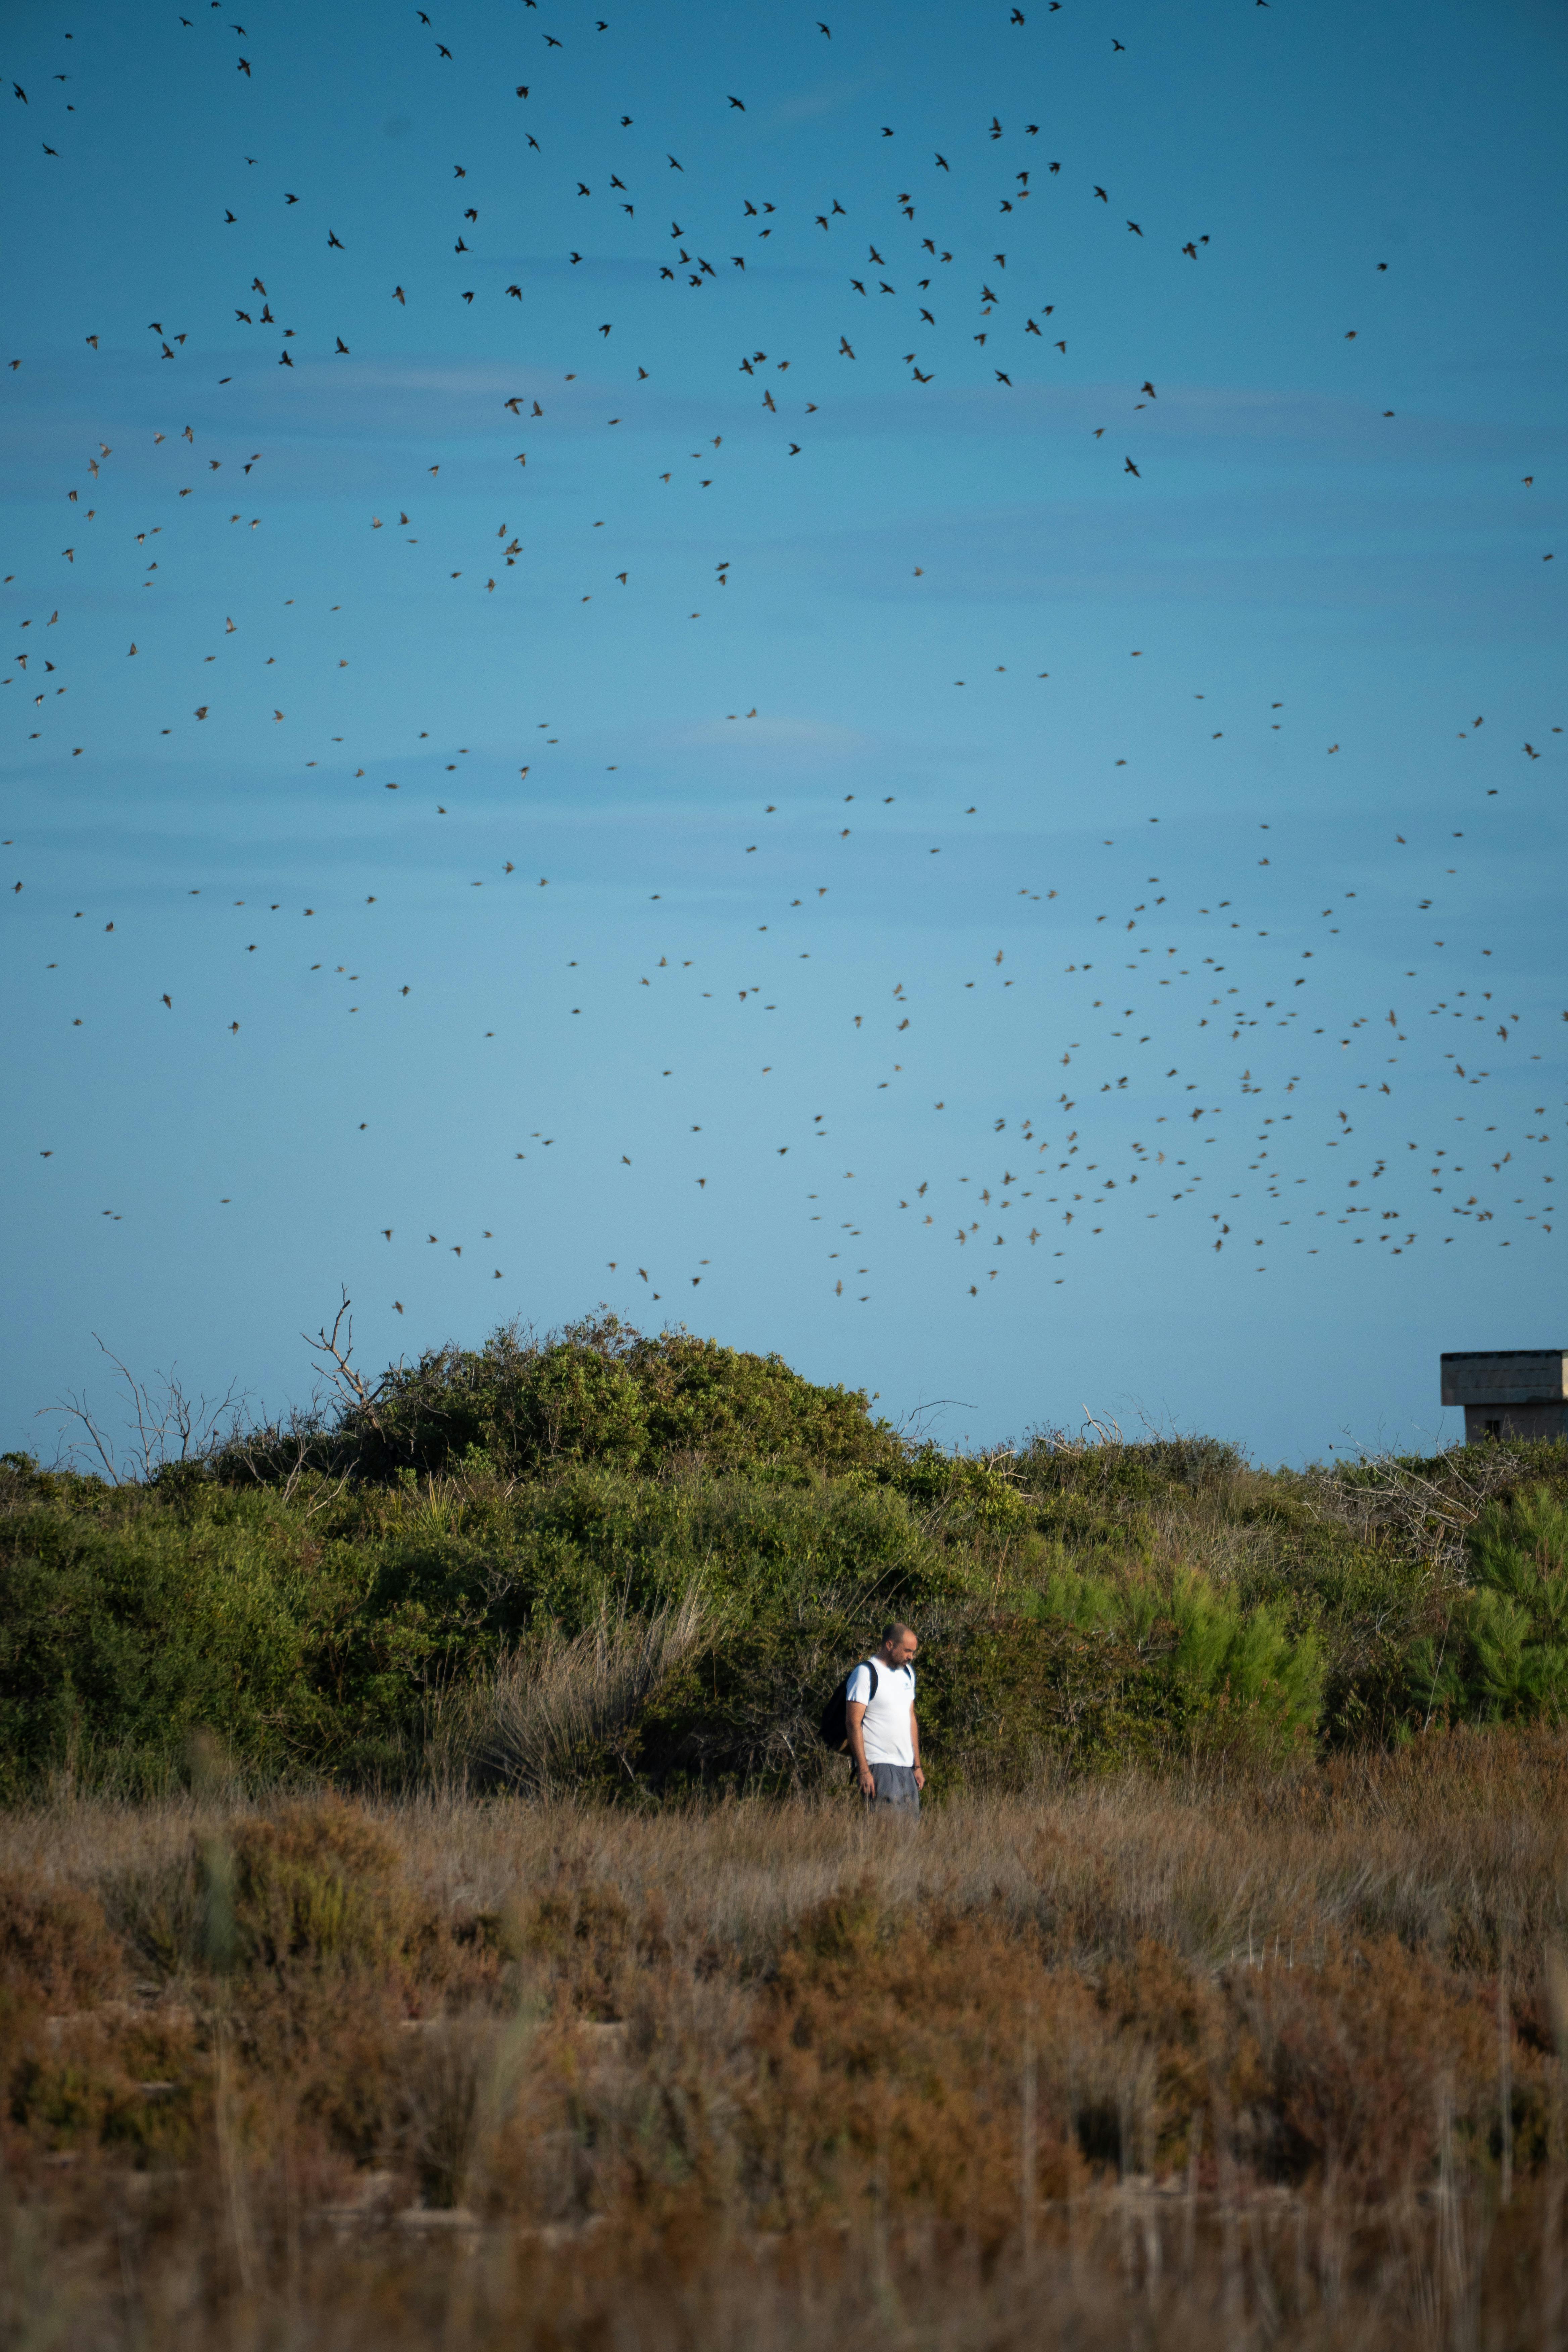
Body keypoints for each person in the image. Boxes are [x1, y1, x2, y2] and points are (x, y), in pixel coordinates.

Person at [845, 1622, 924, 1809]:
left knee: (910, 1833)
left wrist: (917, 1766)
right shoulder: (865, 1673)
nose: (911, 1657)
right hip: (879, 1766)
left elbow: (910, 1719)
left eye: (913, 1652)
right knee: (884, 1832)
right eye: (907, 1651)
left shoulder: (908, 1674)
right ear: (890, 1646)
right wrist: (863, 1771)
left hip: (906, 1767)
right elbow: (853, 1723)